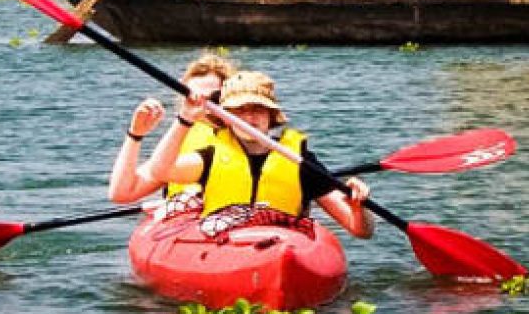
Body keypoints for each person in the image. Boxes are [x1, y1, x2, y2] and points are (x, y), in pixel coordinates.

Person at [142, 70, 375, 239]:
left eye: (256, 109)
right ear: (225, 116)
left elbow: (361, 230)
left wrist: (358, 206)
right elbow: (160, 170)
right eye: (239, 111)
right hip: (225, 243)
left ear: (271, 116)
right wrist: (184, 120)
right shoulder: (211, 155)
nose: (249, 118)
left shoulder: (300, 161)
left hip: (283, 244)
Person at [108, 53, 236, 206]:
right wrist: (135, 134)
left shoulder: (251, 135)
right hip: (185, 219)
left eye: (214, 99)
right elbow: (121, 192)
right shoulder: (179, 140)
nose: (204, 107)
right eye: (193, 99)